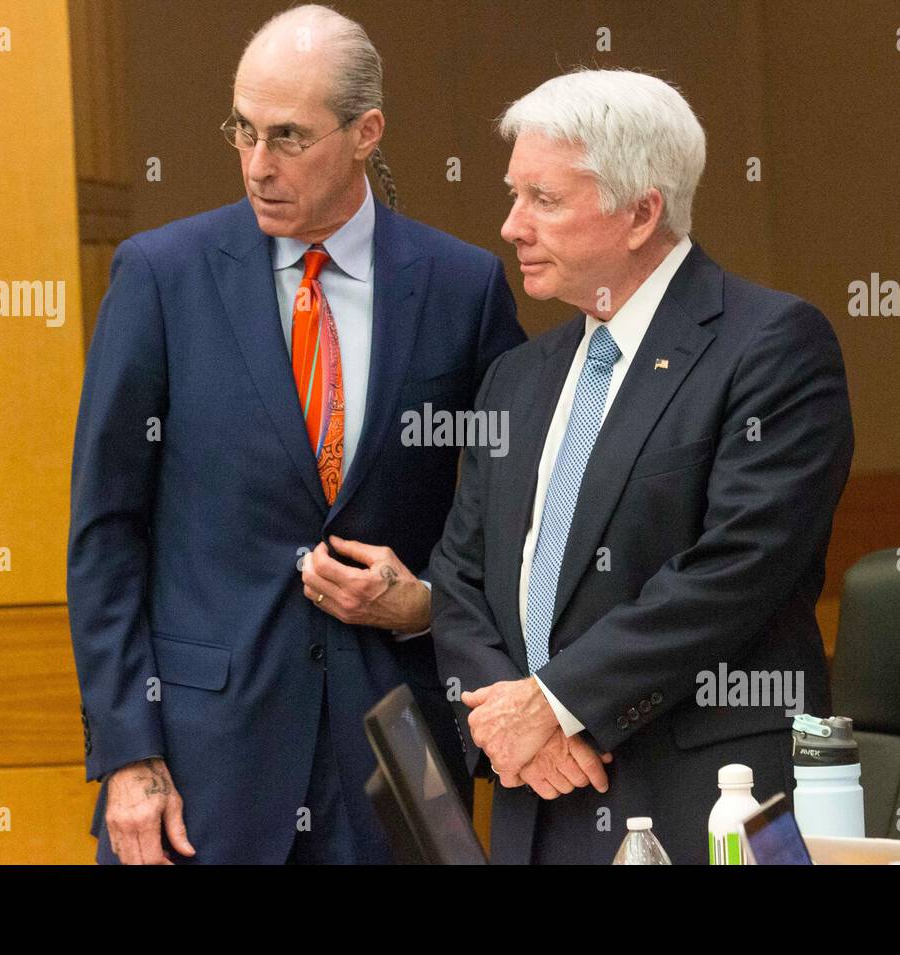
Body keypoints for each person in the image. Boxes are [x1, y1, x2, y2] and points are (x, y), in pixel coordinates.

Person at [68, 4, 524, 864]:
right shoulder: (160, 278)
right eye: (242, 131)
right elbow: (105, 531)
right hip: (203, 762)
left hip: (398, 750)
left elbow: (518, 520)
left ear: (366, 133)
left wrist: (427, 604)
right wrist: (128, 752)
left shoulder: (462, 288)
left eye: (288, 136)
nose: (256, 165)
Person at [429, 68, 854, 864]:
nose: (512, 226)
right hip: (536, 794)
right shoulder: (518, 376)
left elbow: (736, 569)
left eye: (543, 200)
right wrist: (510, 722)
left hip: (698, 795)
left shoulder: (771, 346)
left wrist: (556, 703)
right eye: (513, 195)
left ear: (642, 212)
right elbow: (458, 573)